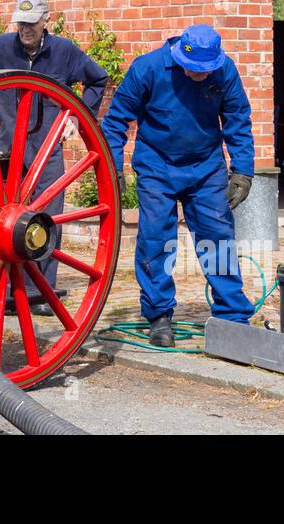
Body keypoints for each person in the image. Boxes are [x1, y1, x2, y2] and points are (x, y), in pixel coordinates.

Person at [101, 23, 255, 347]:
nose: (200, 75)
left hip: (206, 167)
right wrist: (113, 168)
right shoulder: (147, 69)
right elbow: (114, 122)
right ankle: (159, 316)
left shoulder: (224, 70)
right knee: (156, 239)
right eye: (194, 70)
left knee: (217, 237)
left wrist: (243, 170)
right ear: (179, 55)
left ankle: (233, 317)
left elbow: (238, 118)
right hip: (157, 166)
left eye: (206, 70)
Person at [0, 0, 110, 312]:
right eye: (21, 23)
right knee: (1, 222)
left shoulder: (64, 52)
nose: (25, 29)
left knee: (47, 217)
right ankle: (7, 290)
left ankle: (39, 291)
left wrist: (77, 118)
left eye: (32, 23)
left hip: (47, 150)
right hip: (7, 149)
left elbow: (98, 79)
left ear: (45, 21)